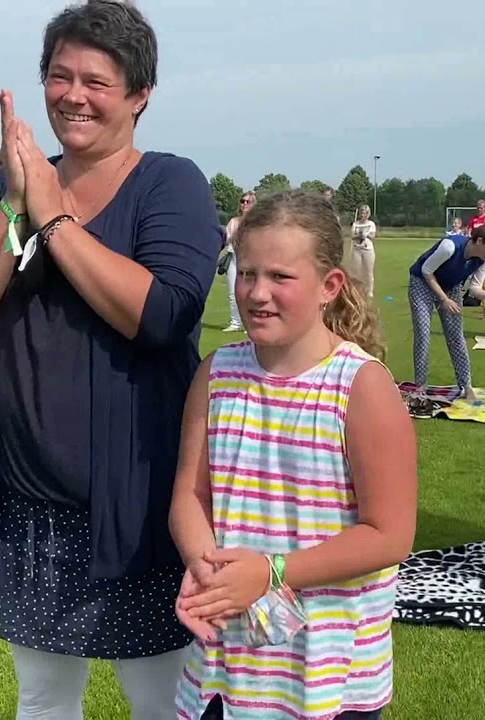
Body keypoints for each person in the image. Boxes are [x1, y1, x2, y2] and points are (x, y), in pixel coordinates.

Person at [0, 3, 223, 717]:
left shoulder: (171, 184)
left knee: (160, 698)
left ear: (139, 96)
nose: (73, 95)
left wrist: (55, 218)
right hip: (29, 500)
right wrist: (17, 207)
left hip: (143, 498)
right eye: (59, 76)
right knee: (44, 696)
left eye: (97, 80)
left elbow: (161, 316)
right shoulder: (6, 188)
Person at [169, 190, 417, 720]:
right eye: (246, 274)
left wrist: (273, 571)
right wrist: (205, 569)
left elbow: (390, 534)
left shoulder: (360, 387)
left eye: (280, 277)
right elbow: (191, 496)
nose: (257, 293)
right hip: (223, 672)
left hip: (325, 680)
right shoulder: (215, 374)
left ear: (330, 286)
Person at [407, 223, 485, 401]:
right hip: (422, 282)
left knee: (455, 336)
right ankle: (420, 386)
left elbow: (474, 288)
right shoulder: (449, 247)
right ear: (479, 241)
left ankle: (466, 385)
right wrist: (444, 299)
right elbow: (426, 271)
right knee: (423, 333)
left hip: (450, 287)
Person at [221, 191, 255, 332]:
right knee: (232, 292)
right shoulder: (234, 222)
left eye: (248, 201)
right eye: (243, 201)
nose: (244, 204)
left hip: (251, 260)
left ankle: (249, 323)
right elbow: (226, 239)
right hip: (234, 258)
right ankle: (235, 322)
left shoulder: (257, 223)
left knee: (250, 293)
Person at [347, 204, 377, 297]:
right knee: (356, 271)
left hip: (368, 250)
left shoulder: (371, 224)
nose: (362, 215)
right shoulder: (355, 224)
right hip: (357, 250)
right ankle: (357, 290)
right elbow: (352, 237)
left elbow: (373, 236)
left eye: (364, 213)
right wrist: (359, 235)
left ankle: (369, 291)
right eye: (361, 213)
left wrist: (366, 235)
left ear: (368, 214)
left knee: (368, 271)